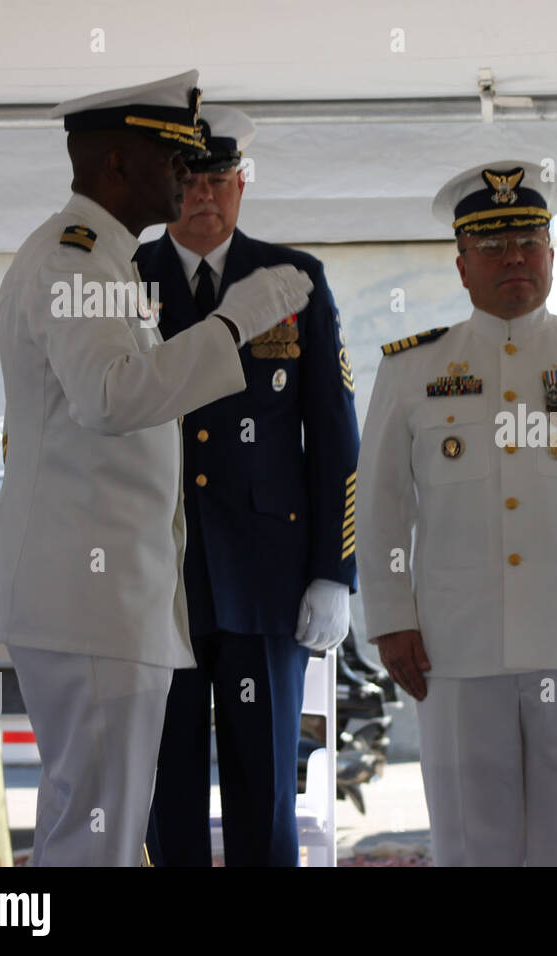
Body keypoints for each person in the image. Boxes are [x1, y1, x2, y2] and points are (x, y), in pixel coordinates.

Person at [0, 71, 314, 866]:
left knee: (102, 826)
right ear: (116, 164)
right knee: (94, 832)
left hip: (101, 595)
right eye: (172, 157)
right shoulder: (76, 262)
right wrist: (235, 322)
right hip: (88, 597)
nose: (186, 177)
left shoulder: (105, 259)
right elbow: (110, 396)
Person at [358, 160, 557, 866]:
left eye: (529, 243)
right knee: (472, 844)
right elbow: (380, 508)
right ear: (462, 264)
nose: (514, 260)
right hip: (453, 647)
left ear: (553, 257)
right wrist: (391, 618)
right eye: (494, 247)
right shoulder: (412, 371)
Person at [135, 106, 359, 867]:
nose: (205, 195)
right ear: (167, 187)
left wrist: (335, 569)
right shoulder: (127, 281)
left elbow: (333, 433)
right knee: (167, 799)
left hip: (266, 575)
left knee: (264, 799)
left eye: (219, 179)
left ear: (242, 185)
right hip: (154, 578)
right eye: (189, 180)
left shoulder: (292, 280)